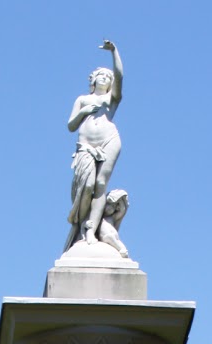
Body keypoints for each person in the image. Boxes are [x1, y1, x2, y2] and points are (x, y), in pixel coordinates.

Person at [65, 40, 123, 249]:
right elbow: (71, 125)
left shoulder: (112, 98)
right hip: (86, 146)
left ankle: (91, 229)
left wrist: (114, 52)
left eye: (108, 77)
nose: (105, 78)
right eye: (101, 75)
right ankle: (81, 226)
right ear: (93, 80)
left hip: (109, 140)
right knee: (87, 186)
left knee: (100, 184)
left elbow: (120, 76)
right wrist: (83, 112)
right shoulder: (82, 99)